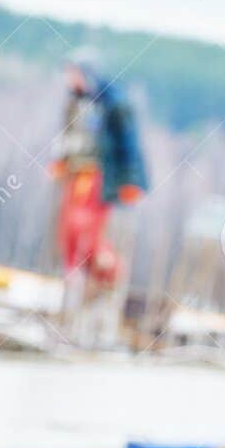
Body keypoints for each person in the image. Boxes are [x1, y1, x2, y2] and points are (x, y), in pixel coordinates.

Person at [49, 48, 148, 336]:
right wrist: (59, 162)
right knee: (68, 230)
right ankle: (74, 278)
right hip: (75, 174)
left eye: (74, 73)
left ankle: (106, 274)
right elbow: (67, 137)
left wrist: (131, 181)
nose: (70, 79)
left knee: (85, 229)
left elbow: (129, 145)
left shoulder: (112, 104)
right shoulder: (74, 103)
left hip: (97, 175)